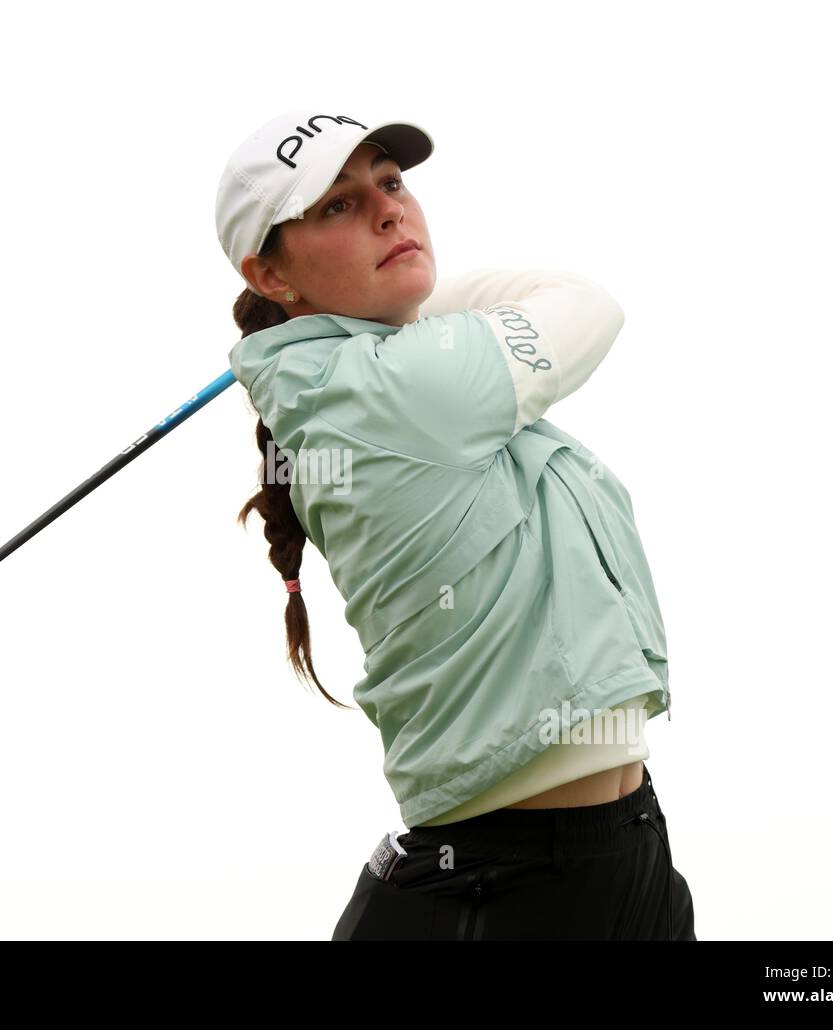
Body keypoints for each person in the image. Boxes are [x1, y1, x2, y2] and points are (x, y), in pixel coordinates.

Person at [215, 110, 696, 940]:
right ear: (271, 274)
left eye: (391, 184)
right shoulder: (396, 393)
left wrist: (375, 304)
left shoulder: (378, 375)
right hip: (493, 893)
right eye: (336, 206)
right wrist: (412, 302)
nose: (390, 211)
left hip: (627, 853)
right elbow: (586, 305)